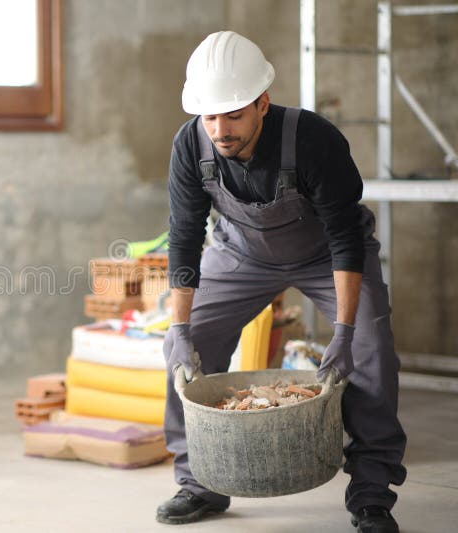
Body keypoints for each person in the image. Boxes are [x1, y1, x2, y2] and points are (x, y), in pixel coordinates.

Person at [159, 31, 406, 533]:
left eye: (233, 114)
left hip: (325, 256)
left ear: (262, 103)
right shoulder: (190, 145)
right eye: (209, 116)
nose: (220, 129)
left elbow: (344, 237)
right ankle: (199, 482)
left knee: (371, 349)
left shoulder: (313, 140)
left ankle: (371, 495)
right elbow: (184, 236)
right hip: (240, 254)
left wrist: (342, 332)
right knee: (190, 347)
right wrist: (178, 329)